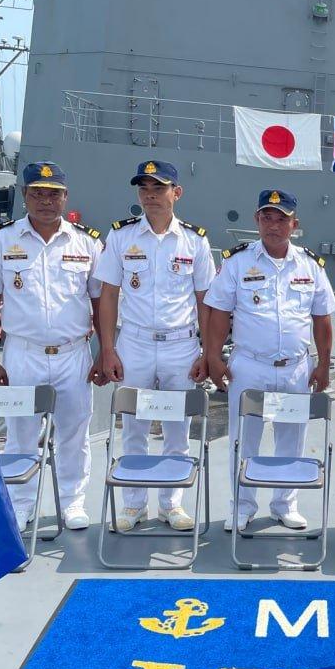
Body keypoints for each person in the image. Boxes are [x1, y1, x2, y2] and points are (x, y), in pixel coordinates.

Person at [0, 161, 105, 531]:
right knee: (20, 432)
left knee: (74, 431)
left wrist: (104, 352)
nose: (46, 201)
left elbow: (100, 303)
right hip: (23, 353)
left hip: (73, 354)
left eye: (54, 194)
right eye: (37, 194)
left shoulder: (87, 242)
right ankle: (22, 502)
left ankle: (72, 502)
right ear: (25, 196)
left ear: (65, 198)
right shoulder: (1, 241)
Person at [205, 188, 335, 532]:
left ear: (294, 224)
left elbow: (322, 319)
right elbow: (218, 313)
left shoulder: (310, 265)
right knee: (243, 438)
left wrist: (323, 364)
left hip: (295, 368)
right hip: (250, 365)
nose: (273, 225)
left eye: (281, 219)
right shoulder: (237, 263)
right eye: (267, 217)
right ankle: (242, 505)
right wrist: (213, 357)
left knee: (292, 438)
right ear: (257, 220)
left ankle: (284, 503)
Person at [96, 160, 215, 531]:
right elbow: (108, 296)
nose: (150, 195)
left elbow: (205, 300)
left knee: (178, 428)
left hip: (181, 344)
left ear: (176, 193)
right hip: (134, 342)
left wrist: (207, 351)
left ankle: (171, 503)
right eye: (144, 188)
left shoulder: (195, 241)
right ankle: (133, 503)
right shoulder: (121, 237)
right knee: (134, 426)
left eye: (158, 187)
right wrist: (108, 348)